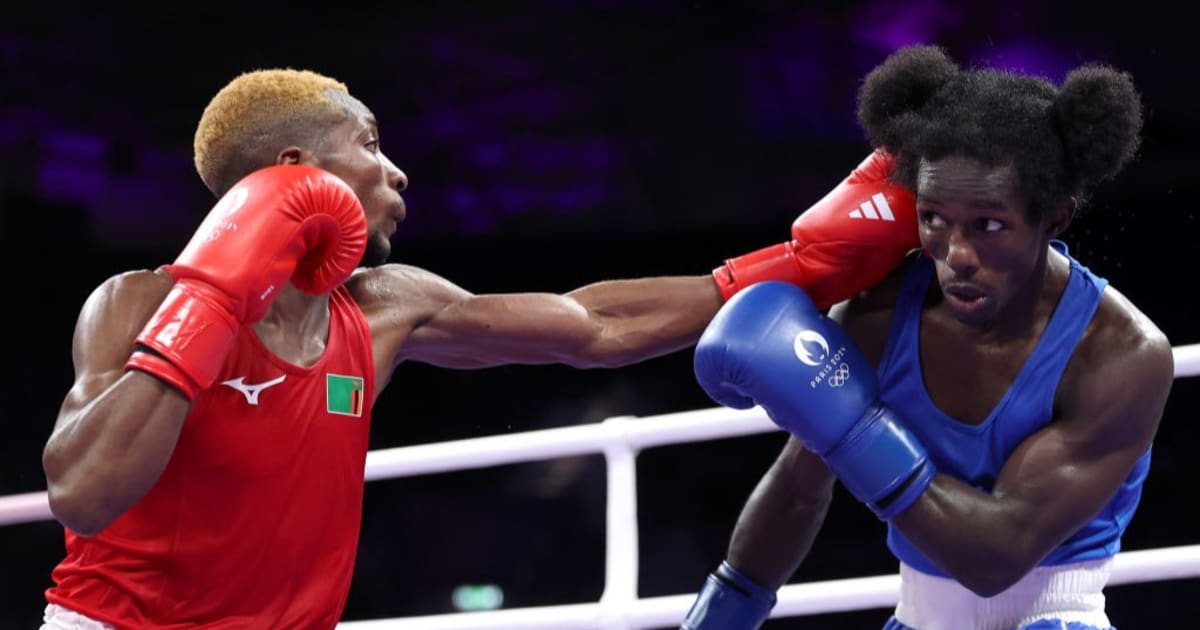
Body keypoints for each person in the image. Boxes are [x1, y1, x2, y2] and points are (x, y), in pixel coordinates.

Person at [37, 66, 922, 629]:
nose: (398, 172)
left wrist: (804, 267)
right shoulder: (141, 302)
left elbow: (593, 326)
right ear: (299, 170)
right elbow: (84, 494)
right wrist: (214, 303)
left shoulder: (383, 309)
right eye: (372, 144)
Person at [682, 44, 1173, 630]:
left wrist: (853, 428)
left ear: (1054, 218)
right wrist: (716, 619)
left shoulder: (1118, 354)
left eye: (989, 225)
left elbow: (996, 555)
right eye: (934, 218)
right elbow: (797, 490)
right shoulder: (880, 313)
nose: (956, 255)